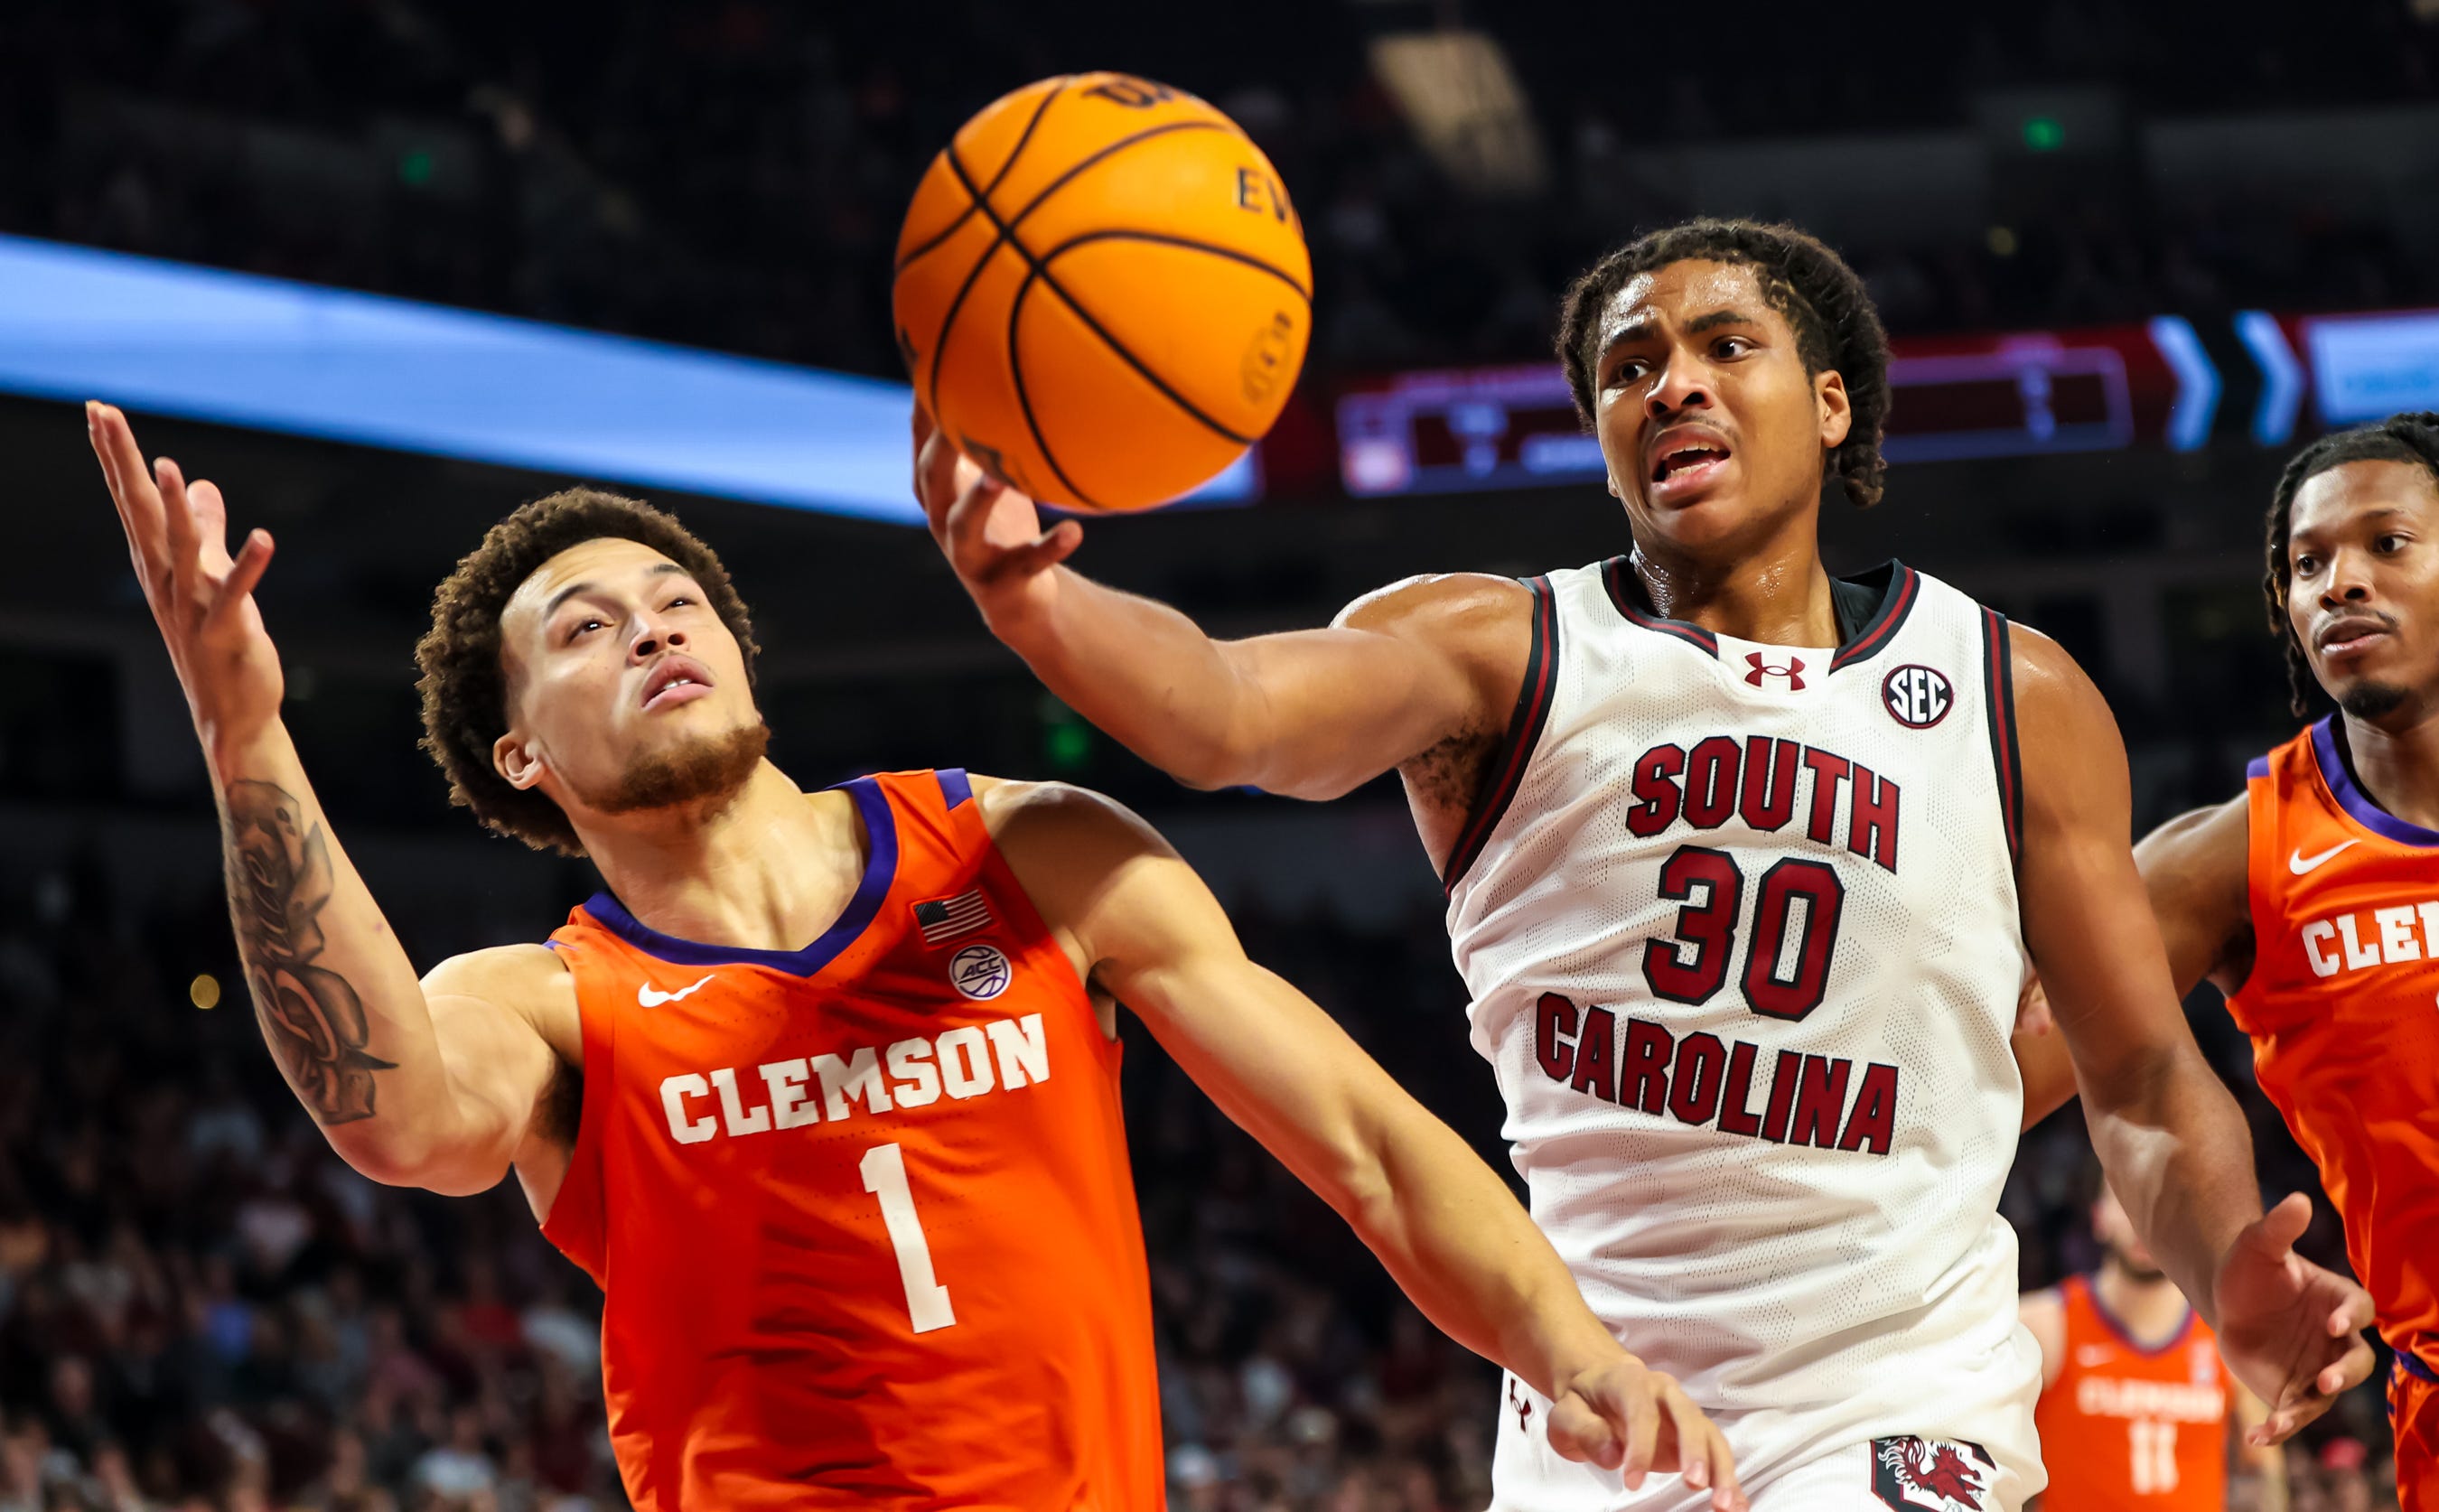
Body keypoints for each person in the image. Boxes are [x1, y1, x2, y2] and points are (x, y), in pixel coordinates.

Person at [913, 217, 2377, 1511]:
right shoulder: (1499, 648)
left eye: (1723, 344)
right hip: (1599, 1407)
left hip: (1899, 1394)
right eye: (1627, 366)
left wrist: (2221, 1262)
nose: (1667, 380)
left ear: (1829, 402)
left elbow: (2136, 1071)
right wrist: (1037, 599)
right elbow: (1230, 712)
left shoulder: (2013, 689)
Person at [83, 401, 1747, 1511]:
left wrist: (1573, 1346)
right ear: (519, 752)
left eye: (676, 601)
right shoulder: (545, 1001)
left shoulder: (1028, 848)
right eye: (581, 628)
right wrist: (246, 733)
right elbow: (391, 1113)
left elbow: (1368, 1147)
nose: (652, 624)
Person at [2020, 411, 2439, 1510]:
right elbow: (2004, 1079)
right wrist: (2213, 1268)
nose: (2340, 583)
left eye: (2387, 545)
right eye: (2309, 564)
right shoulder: (2232, 861)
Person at [2020, 1179, 2282, 1511]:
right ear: (2098, 1216)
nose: (2147, 1218)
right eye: (2128, 1197)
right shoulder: (2043, 1324)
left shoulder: (2231, 1338)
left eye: (2167, 1203)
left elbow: (2266, 1470)